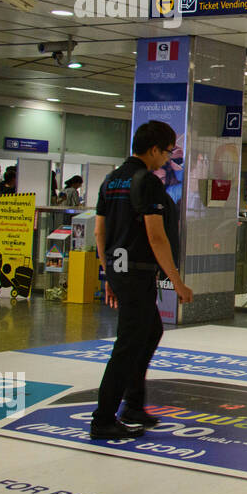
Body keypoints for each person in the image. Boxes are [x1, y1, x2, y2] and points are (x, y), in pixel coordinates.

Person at [91, 121, 193, 440]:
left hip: (120, 270)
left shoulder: (111, 180)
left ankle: (134, 404)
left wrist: (108, 272)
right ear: (152, 150)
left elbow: (99, 231)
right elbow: (156, 235)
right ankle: (103, 418)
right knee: (128, 344)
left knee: (150, 332)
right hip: (137, 272)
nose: (166, 159)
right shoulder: (146, 181)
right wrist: (177, 281)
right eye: (165, 152)